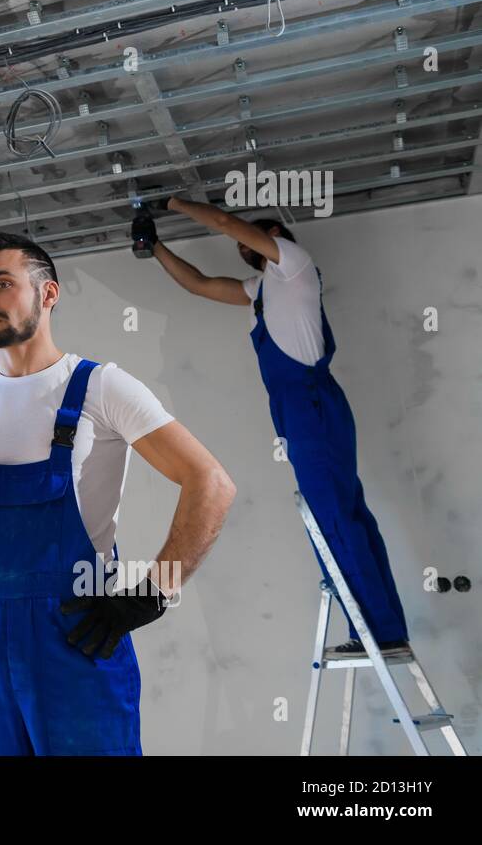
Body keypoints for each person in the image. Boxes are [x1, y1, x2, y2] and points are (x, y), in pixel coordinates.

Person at [0, 231, 234, 755]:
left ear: (48, 294)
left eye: (2, 284)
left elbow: (212, 484)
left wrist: (154, 593)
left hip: (77, 631)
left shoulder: (101, 388)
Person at [145, 196, 409, 655]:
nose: (247, 248)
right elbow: (200, 285)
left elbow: (226, 222)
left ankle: (378, 632)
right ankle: (377, 627)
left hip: (312, 404)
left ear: (279, 240)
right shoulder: (260, 290)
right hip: (295, 412)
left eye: (259, 238)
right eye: (246, 248)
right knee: (338, 516)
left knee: (335, 518)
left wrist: (171, 200)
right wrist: (155, 246)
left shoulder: (296, 267)